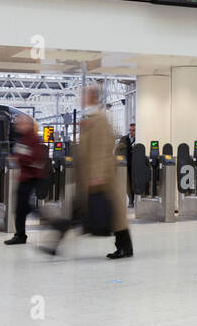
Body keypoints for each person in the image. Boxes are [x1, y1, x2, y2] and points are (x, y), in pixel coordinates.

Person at [40, 84, 132, 259]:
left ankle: (125, 247)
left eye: (83, 96)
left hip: (98, 179)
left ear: (91, 98)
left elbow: (101, 149)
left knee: (113, 214)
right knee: (78, 212)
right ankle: (54, 243)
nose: (80, 99)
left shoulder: (100, 119)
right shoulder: (90, 117)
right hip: (88, 178)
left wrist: (97, 175)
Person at [5, 113, 49, 246]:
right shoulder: (23, 139)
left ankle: (22, 234)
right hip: (25, 176)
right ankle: (20, 234)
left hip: (31, 177)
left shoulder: (33, 138)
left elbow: (34, 158)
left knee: (22, 207)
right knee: (21, 207)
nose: (17, 126)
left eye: (20, 123)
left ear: (28, 125)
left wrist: (17, 159)